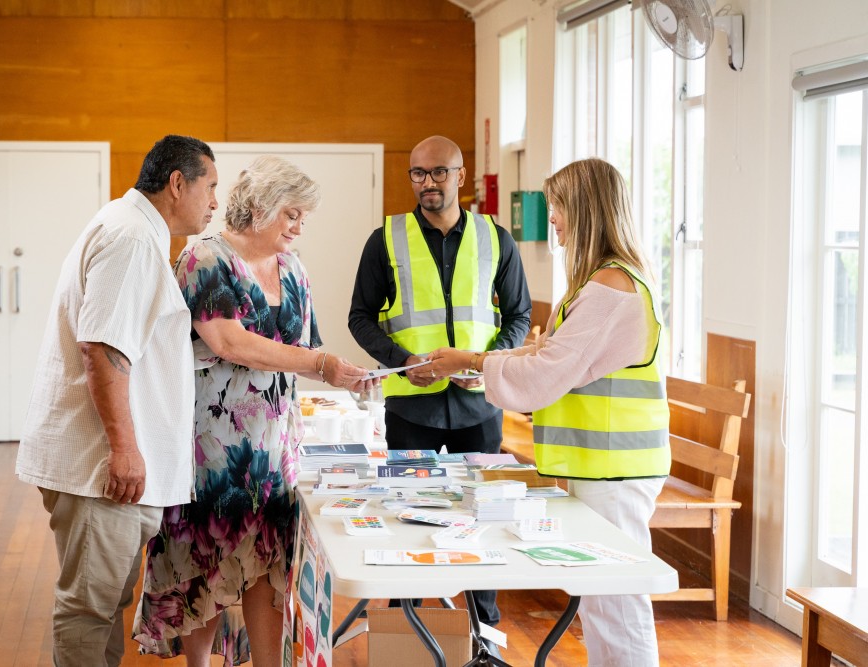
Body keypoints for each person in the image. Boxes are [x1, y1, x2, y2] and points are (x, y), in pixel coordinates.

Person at [427, 157, 671, 667]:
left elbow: (547, 372)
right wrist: (487, 365)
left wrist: (474, 360)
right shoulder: (602, 282)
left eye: (557, 207)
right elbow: (548, 357)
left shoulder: (612, 288)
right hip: (599, 467)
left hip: (614, 470)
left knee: (618, 603)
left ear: (584, 210)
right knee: (603, 604)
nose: (552, 219)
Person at [133, 155, 376, 667]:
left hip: (275, 451)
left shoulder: (294, 269)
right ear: (261, 206)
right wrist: (320, 361)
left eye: (304, 216)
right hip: (212, 451)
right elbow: (228, 341)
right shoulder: (205, 258)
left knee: (268, 569)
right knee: (207, 566)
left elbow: (307, 352)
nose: (299, 225)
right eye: (292, 213)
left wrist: (348, 374)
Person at [15, 134, 219, 666]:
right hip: (103, 469)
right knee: (89, 609)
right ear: (178, 184)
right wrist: (125, 449)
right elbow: (102, 348)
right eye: (211, 187)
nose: (215, 202)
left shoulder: (133, 231)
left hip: (111, 468)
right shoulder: (130, 238)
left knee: (106, 605)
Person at [347, 135, 531, 652]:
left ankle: (483, 640)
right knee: (406, 517)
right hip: (412, 407)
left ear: (461, 176)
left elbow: (519, 315)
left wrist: (488, 362)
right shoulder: (385, 239)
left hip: (479, 408)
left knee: (483, 518)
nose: (428, 183)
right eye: (418, 174)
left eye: (439, 173)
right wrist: (403, 361)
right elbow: (359, 317)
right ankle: (404, 637)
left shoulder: (497, 239)